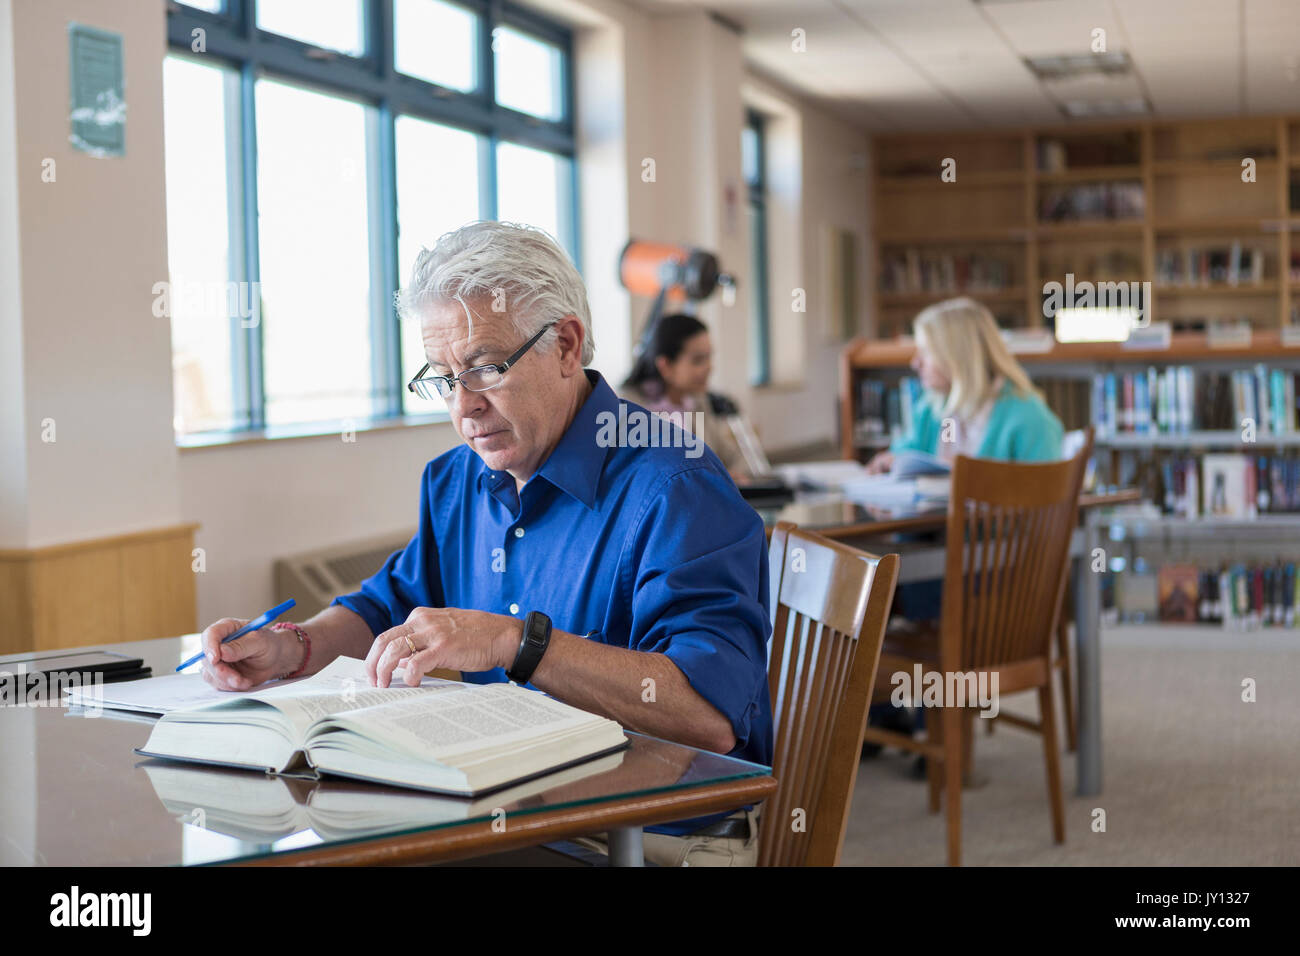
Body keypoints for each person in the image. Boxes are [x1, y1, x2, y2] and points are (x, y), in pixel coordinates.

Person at [198, 221, 772, 866]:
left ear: (565, 345)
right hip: (505, 811)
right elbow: (387, 606)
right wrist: (291, 646)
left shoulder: (675, 488)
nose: (463, 406)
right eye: (443, 378)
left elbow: (710, 717)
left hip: (645, 838)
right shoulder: (456, 480)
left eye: (484, 368)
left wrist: (516, 641)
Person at [862, 297, 1063, 772]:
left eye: (925, 352)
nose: (914, 363)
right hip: (941, 559)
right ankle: (890, 713)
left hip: (1002, 580)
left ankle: (925, 721)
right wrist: (893, 460)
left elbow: (1045, 518)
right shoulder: (935, 408)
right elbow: (911, 454)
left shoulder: (1027, 418)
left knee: (887, 585)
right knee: (868, 578)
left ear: (958, 355)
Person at [619, 312, 761, 479]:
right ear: (665, 366)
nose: (709, 368)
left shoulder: (698, 401)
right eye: (698, 360)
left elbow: (735, 458)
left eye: (709, 357)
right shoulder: (629, 409)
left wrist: (732, 477)